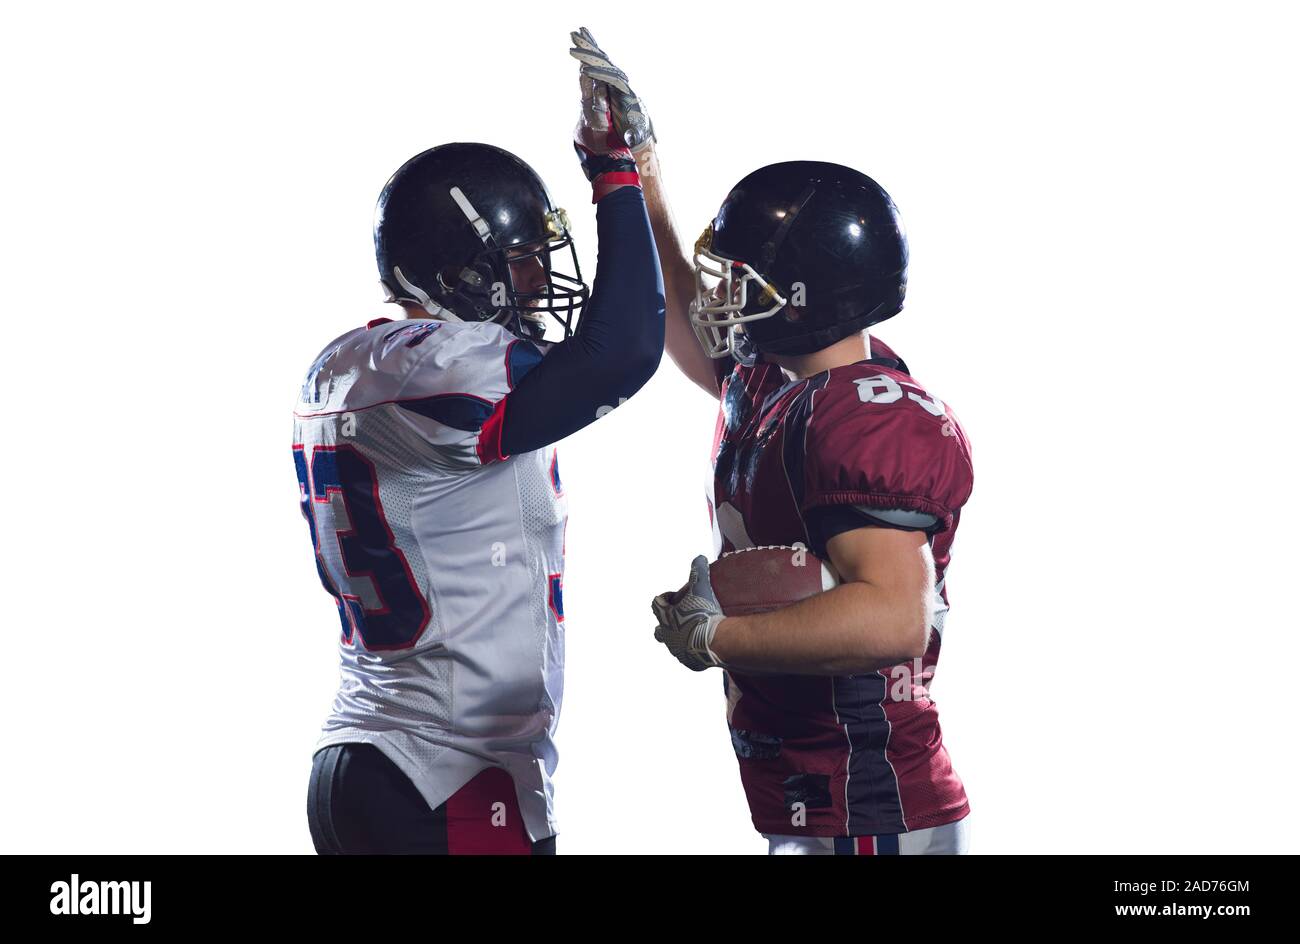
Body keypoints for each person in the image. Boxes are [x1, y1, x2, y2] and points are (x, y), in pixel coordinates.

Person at [572, 29, 973, 855]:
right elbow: (685, 309)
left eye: (742, 284)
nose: (721, 296)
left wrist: (716, 637)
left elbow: (893, 617)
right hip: (815, 797)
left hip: (873, 806)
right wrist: (636, 170)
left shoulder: (869, 417)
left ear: (799, 299)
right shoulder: (770, 379)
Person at [292, 71, 664, 854]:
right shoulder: (443, 367)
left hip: (375, 758)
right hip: (443, 775)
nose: (540, 279)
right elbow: (623, 351)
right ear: (456, 264)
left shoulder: (347, 364)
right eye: (522, 259)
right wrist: (616, 174)